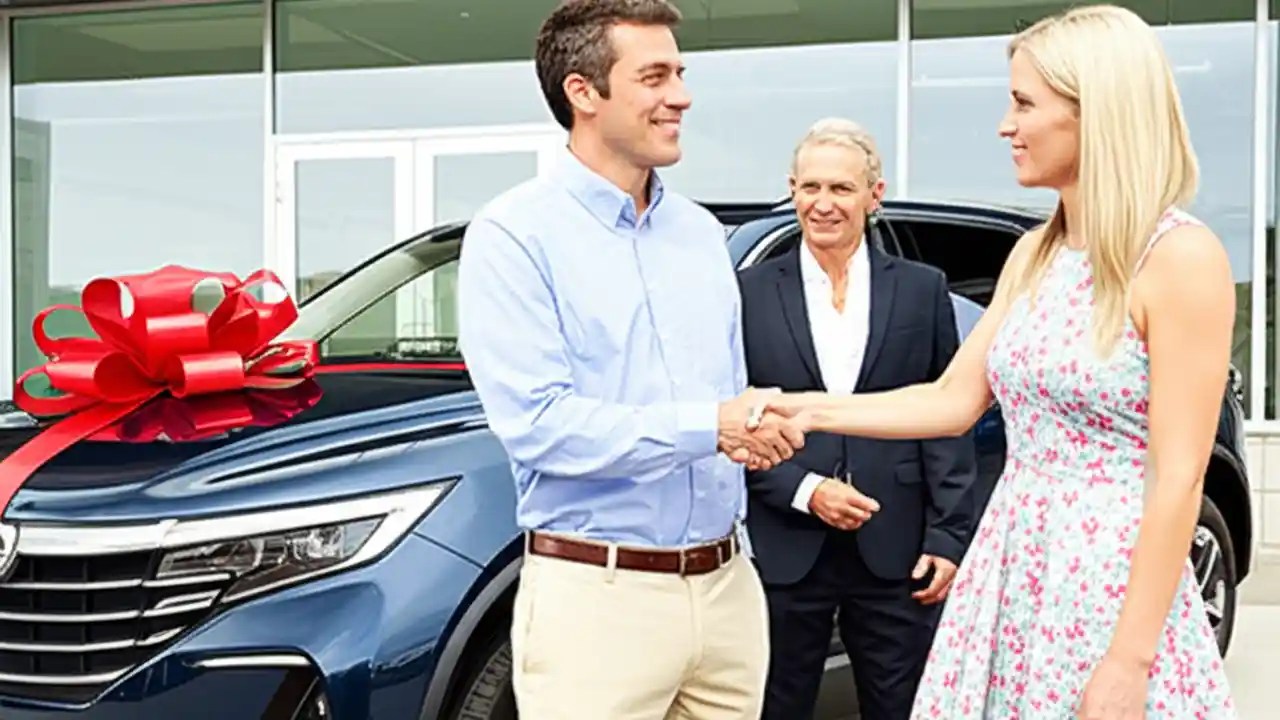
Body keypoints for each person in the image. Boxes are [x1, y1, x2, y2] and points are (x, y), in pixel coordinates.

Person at [753, 5, 1238, 718]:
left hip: (1108, 586)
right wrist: (804, 409)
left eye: (1022, 103)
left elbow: (1180, 477)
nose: (1005, 126)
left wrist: (1130, 660)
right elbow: (951, 400)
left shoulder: (1180, 257)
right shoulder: (1037, 251)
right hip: (1014, 567)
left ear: (1094, 110)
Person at [455, 1, 805, 718]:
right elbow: (540, 426)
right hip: (598, 603)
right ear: (583, 93)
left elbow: (726, 400)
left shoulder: (702, 234)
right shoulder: (513, 235)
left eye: (679, 72)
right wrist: (713, 425)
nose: (681, 94)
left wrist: (754, 430)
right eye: (654, 75)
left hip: (727, 588)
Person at [738, 118, 979, 720]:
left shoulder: (923, 290)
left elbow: (946, 419)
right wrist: (804, 489)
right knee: (773, 707)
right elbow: (733, 418)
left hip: (897, 550)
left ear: (875, 195)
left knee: (903, 708)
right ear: (792, 189)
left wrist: (949, 538)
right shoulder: (744, 293)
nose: (823, 205)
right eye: (810, 188)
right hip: (783, 542)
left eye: (841, 190)